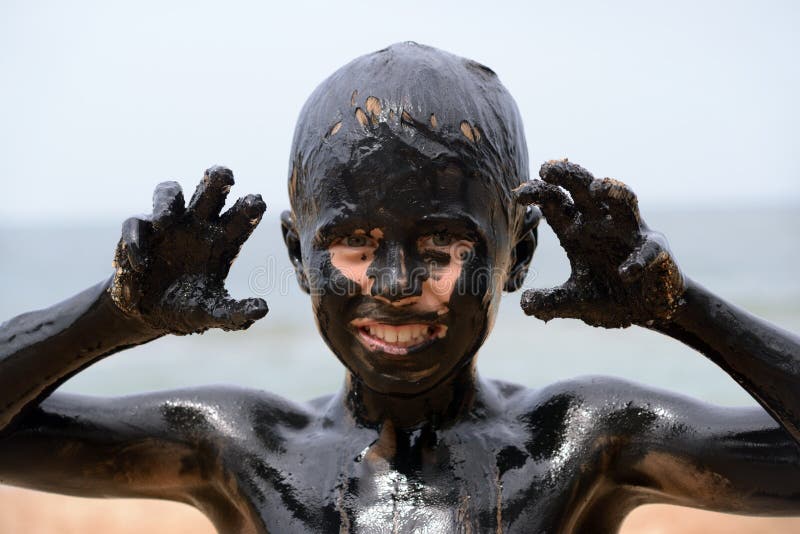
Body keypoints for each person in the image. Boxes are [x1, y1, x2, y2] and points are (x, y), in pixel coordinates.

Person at [1, 42, 799, 533]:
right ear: (297, 251)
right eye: (351, 242)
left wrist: (681, 308)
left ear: (515, 257)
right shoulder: (239, 448)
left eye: (444, 244)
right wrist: (115, 315)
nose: (393, 285)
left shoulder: (581, 445)